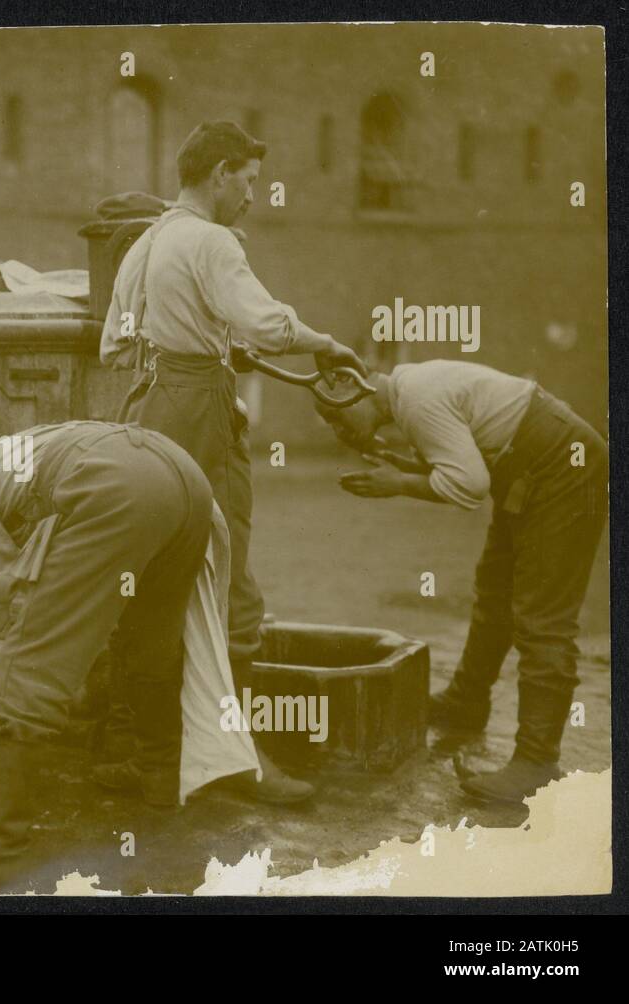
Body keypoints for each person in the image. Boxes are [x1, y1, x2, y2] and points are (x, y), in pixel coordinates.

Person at [98, 120, 367, 803]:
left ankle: (157, 762)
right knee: (229, 579)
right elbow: (265, 322)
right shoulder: (212, 240)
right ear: (218, 173)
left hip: (151, 407)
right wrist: (326, 343)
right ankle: (238, 763)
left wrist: (204, 344)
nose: (252, 196)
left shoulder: (152, 238)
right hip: (196, 413)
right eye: (248, 182)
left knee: (156, 581)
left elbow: (115, 344)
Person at [0, 420, 215, 896]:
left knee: (29, 663)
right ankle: (157, 772)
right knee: (148, 636)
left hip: (122, 487)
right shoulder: (13, 460)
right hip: (184, 477)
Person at [317, 360, 608, 804]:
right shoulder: (409, 390)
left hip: (562, 468)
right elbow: (466, 453)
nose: (341, 432)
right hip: (534, 467)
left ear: (353, 387)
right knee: (495, 590)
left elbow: (469, 485)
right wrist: (406, 465)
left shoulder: (414, 400)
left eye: (337, 416)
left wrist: (398, 483)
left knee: (542, 617)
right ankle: (467, 701)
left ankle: (537, 761)